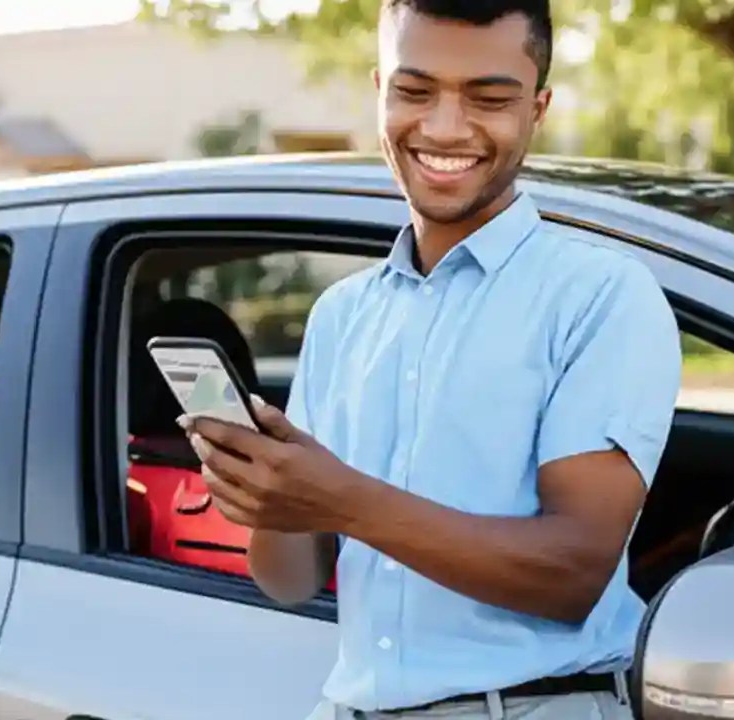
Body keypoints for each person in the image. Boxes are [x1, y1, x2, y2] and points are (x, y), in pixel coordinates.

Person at [180, 0, 682, 717]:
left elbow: (572, 574)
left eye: (488, 98)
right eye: (415, 92)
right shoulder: (342, 317)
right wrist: (266, 499)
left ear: (537, 108)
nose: (445, 128)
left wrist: (341, 498)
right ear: (380, 89)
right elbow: (289, 580)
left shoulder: (601, 297)